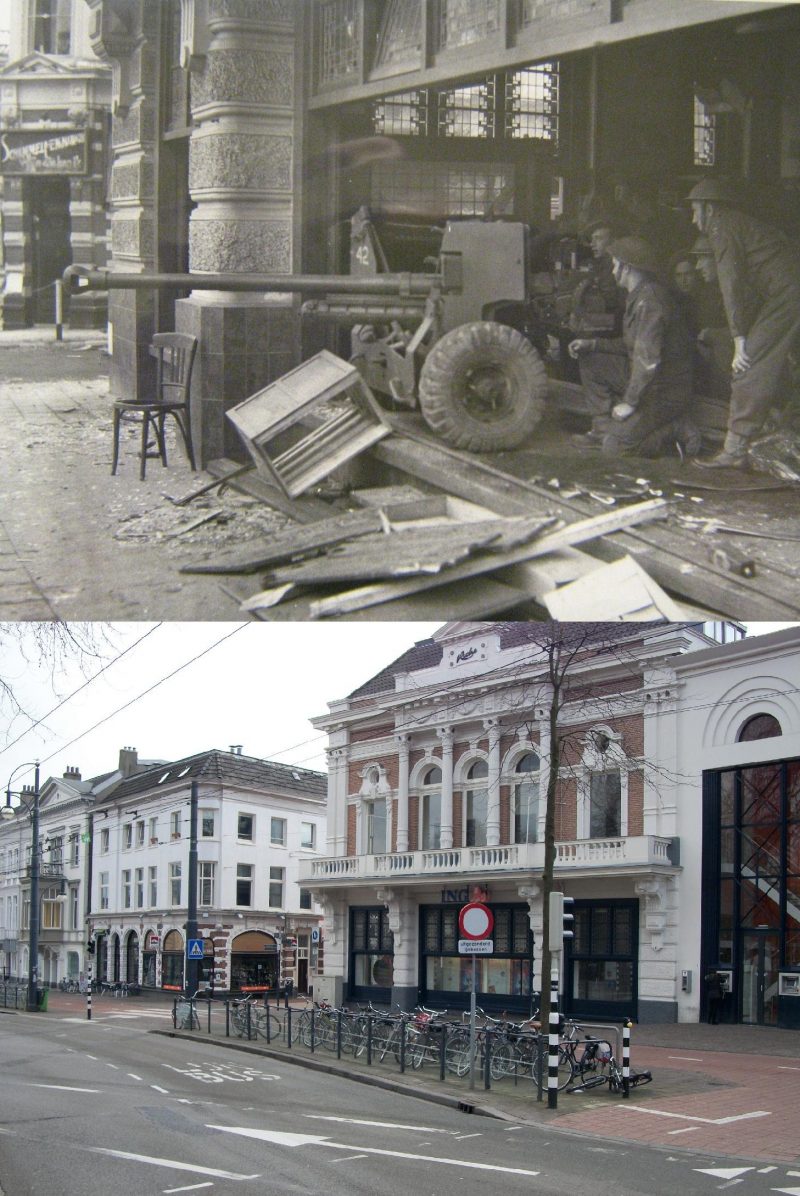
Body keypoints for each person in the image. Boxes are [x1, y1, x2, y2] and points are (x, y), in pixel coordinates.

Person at [688, 179, 800, 468]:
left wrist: (739, 341)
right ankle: (789, 428)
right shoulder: (741, 224)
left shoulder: (722, 227)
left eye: (695, 211)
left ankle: (735, 448)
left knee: (747, 366)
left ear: (709, 209)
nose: (693, 219)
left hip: (790, 294)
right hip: (788, 291)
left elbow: (731, 285)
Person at [568, 235, 700, 458]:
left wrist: (630, 403)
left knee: (615, 447)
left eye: (615, 265)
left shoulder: (650, 301)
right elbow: (632, 346)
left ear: (626, 268)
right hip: (649, 382)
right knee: (591, 360)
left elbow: (647, 359)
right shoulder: (638, 296)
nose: (613, 271)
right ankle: (602, 429)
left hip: (665, 391)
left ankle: (674, 428)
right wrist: (592, 344)